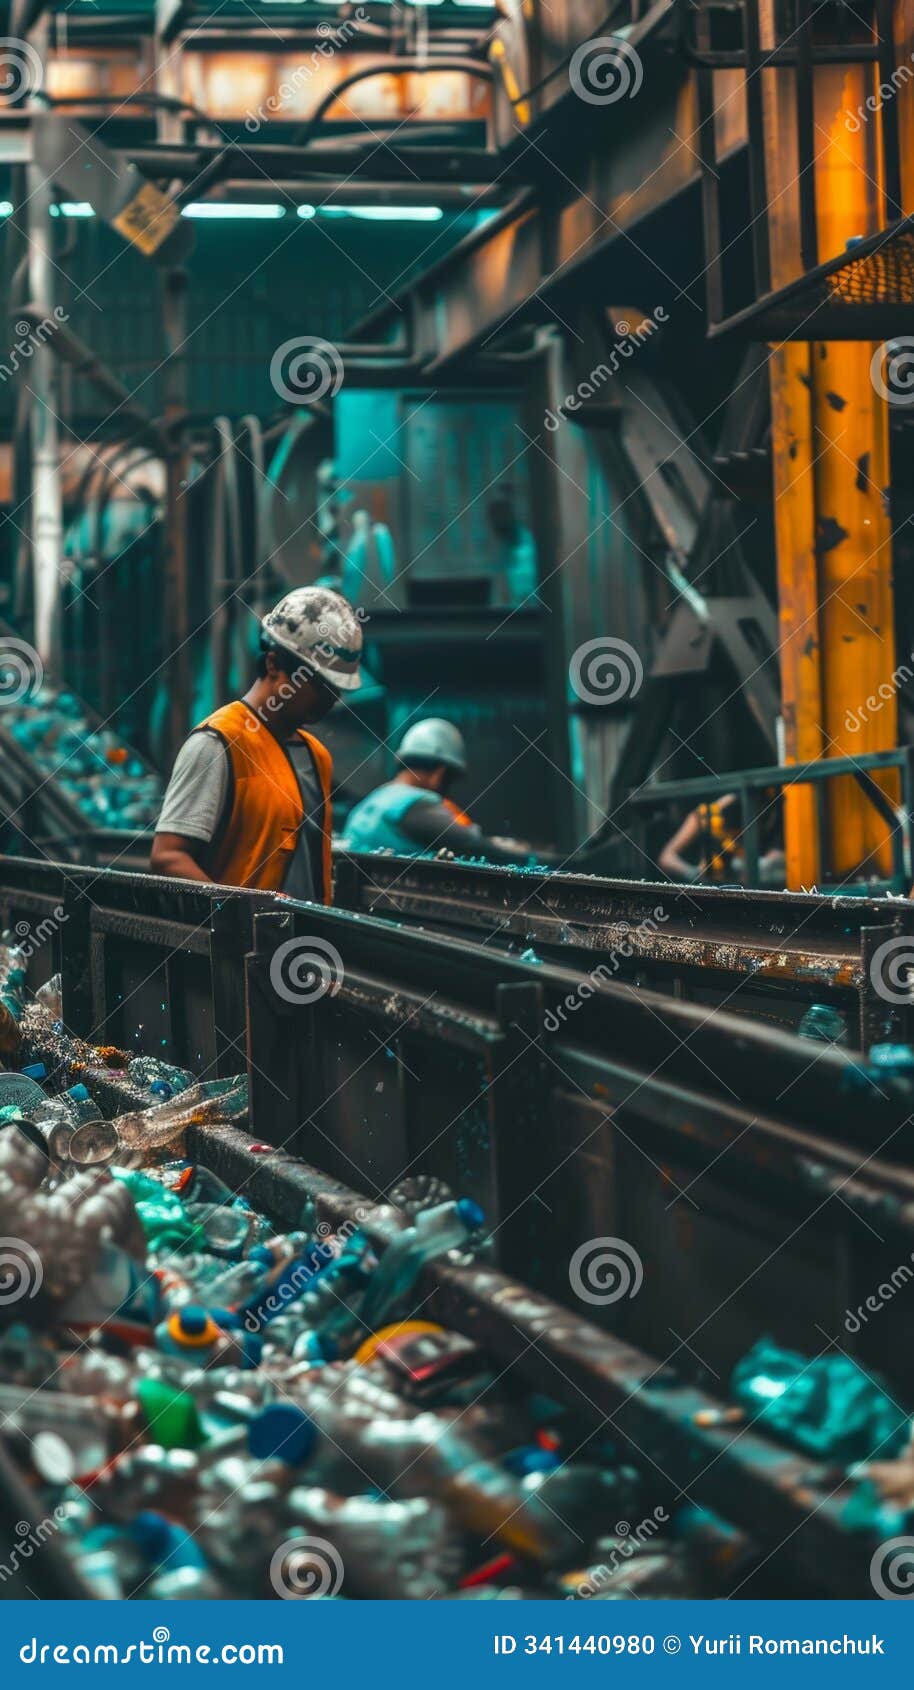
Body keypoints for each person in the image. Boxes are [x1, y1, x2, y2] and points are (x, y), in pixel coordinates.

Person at [150, 586, 363, 895]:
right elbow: (168, 858)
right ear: (273, 665)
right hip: (243, 943)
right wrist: (238, 917)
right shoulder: (218, 743)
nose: (332, 698)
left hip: (305, 940)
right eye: (319, 684)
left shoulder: (317, 756)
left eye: (337, 688)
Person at [342, 718, 531, 863]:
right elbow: (477, 845)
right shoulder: (417, 805)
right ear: (440, 774)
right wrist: (527, 854)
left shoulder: (373, 800)